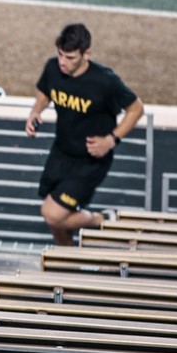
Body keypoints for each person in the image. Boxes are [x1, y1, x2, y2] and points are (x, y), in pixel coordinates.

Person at [27, 23, 143, 245]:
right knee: (58, 219)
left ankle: (102, 219)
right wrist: (35, 112)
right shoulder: (53, 68)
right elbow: (45, 92)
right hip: (60, 154)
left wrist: (111, 140)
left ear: (86, 54)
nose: (63, 62)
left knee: (52, 213)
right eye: (60, 54)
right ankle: (68, 260)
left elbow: (136, 109)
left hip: (90, 161)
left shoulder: (105, 81)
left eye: (70, 57)